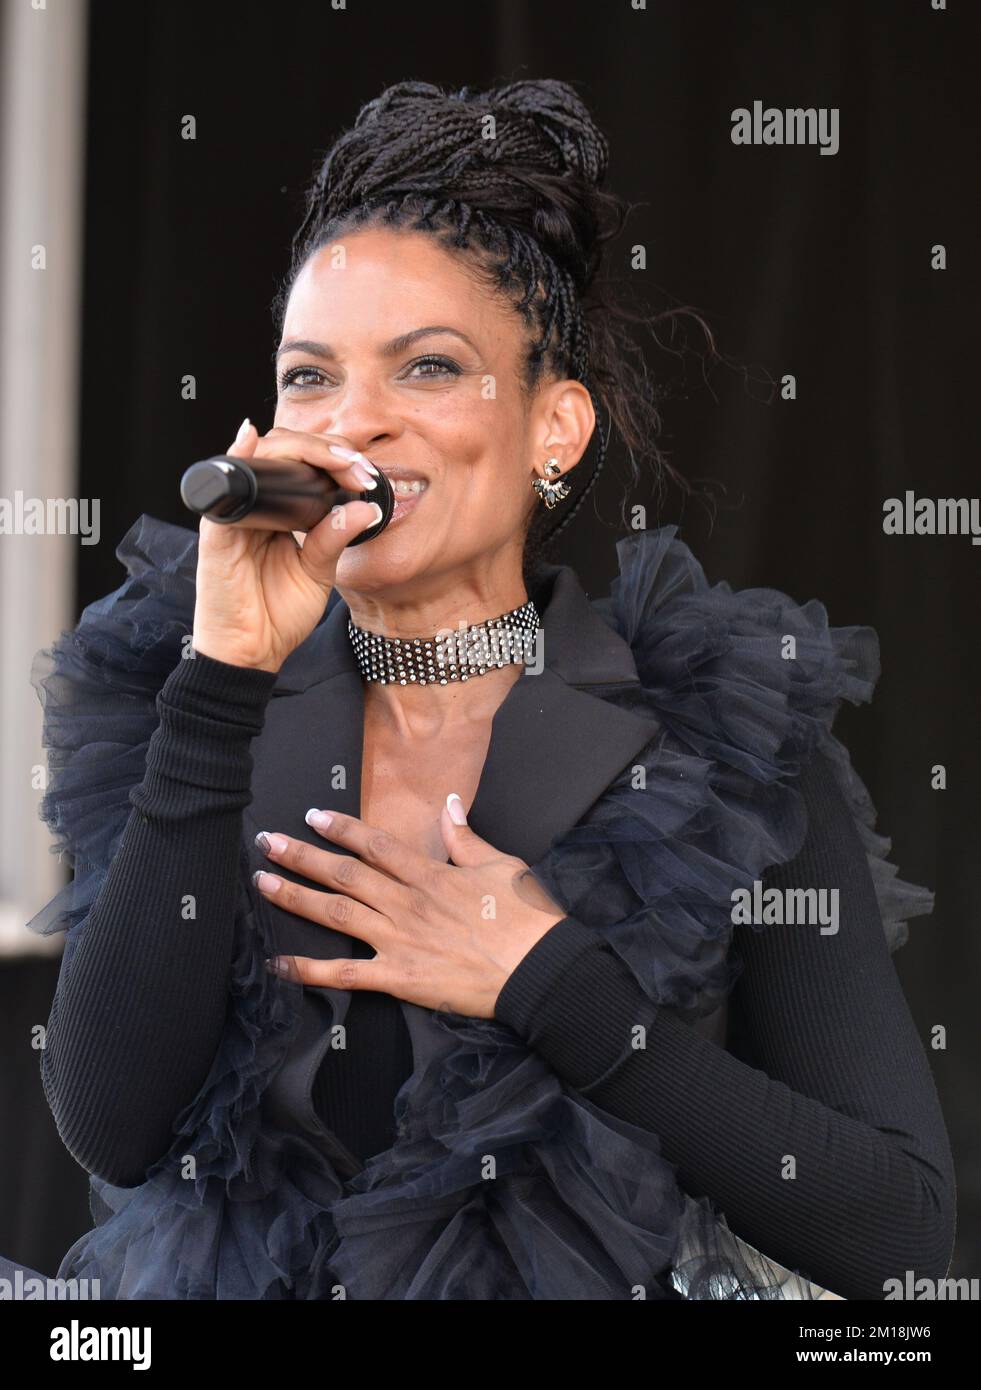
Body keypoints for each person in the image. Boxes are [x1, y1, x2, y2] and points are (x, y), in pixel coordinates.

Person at [23, 78, 954, 1301]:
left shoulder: (722, 742)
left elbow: (898, 1225)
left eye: (428, 368)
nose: (356, 422)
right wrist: (222, 677)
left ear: (553, 427)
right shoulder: (196, 708)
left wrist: (550, 984)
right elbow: (111, 1127)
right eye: (310, 378)